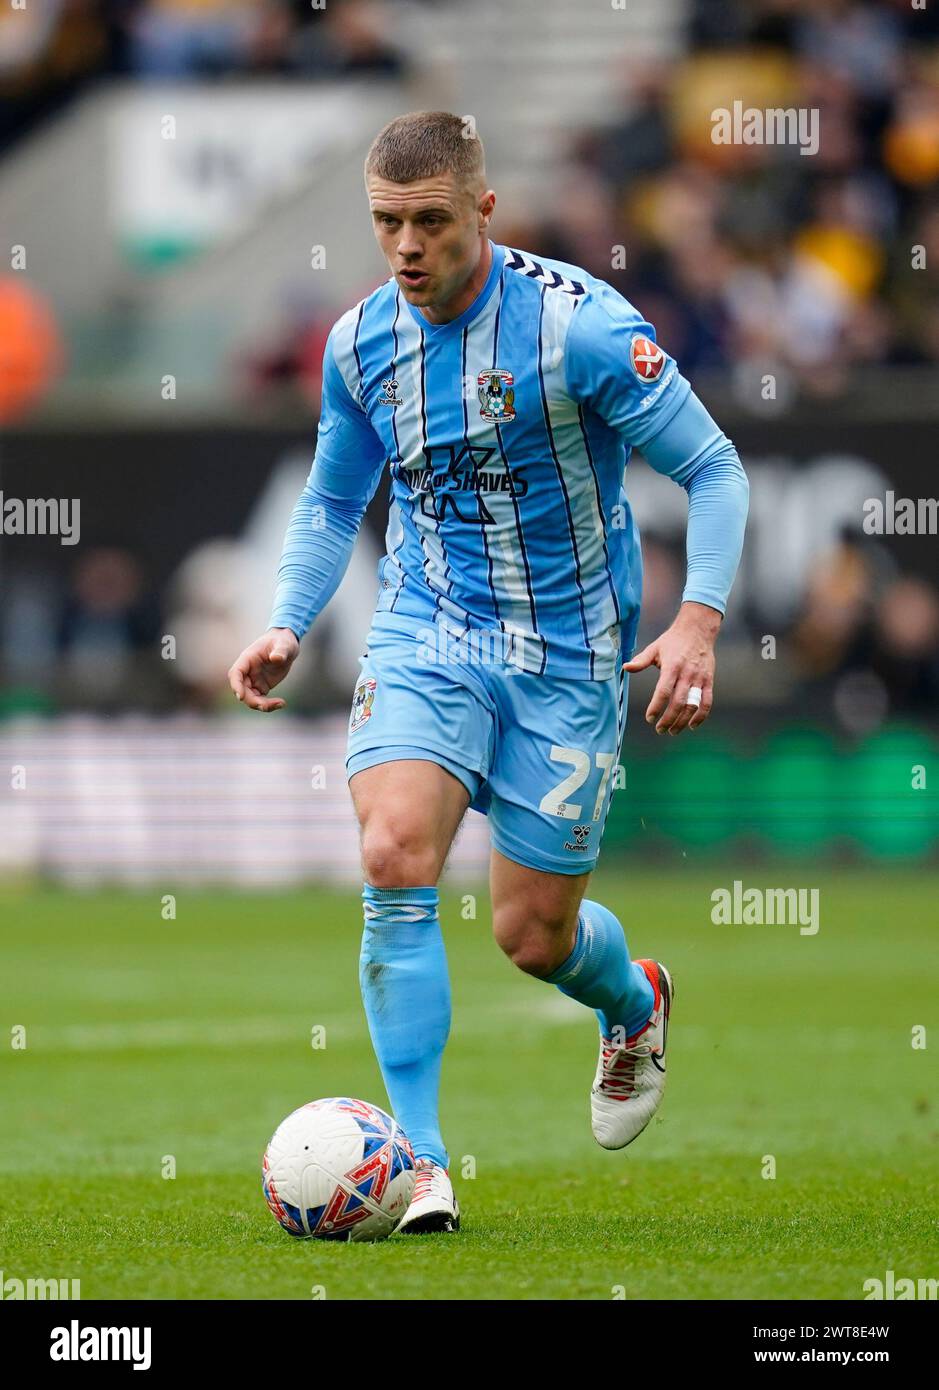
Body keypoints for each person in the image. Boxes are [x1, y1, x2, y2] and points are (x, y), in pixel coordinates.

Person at [228, 111, 749, 1235]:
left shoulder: (581, 330)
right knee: (393, 848)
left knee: (532, 936)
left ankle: (633, 1000)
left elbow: (712, 467)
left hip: (569, 653)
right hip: (431, 630)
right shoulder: (361, 342)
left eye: (429, 221)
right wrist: (285, 621)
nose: (406, 247)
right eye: (385, 224)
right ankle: (421, 1162)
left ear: (485, 211)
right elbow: (330, 501)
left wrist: (698, 619)